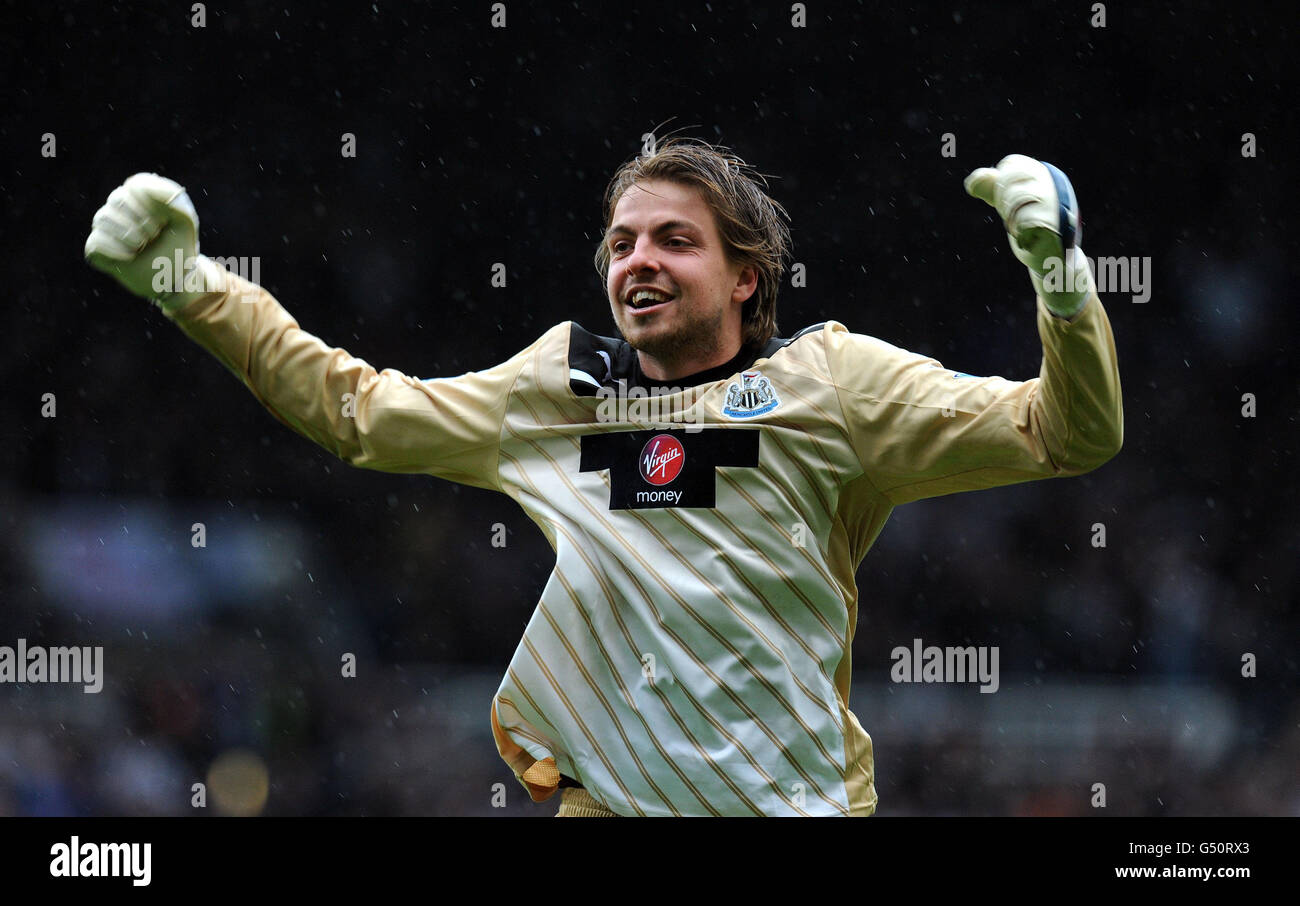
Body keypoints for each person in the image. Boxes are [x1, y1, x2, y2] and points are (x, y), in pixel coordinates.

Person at [84, 138, 1122, 816]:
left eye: (676, 240)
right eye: (622, 243)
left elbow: (1064, 433)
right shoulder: (557, 390)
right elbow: (358, 413)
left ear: (746, 276)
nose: (639, 262)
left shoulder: (834, 384)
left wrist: (1060, 282)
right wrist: (187, 284)